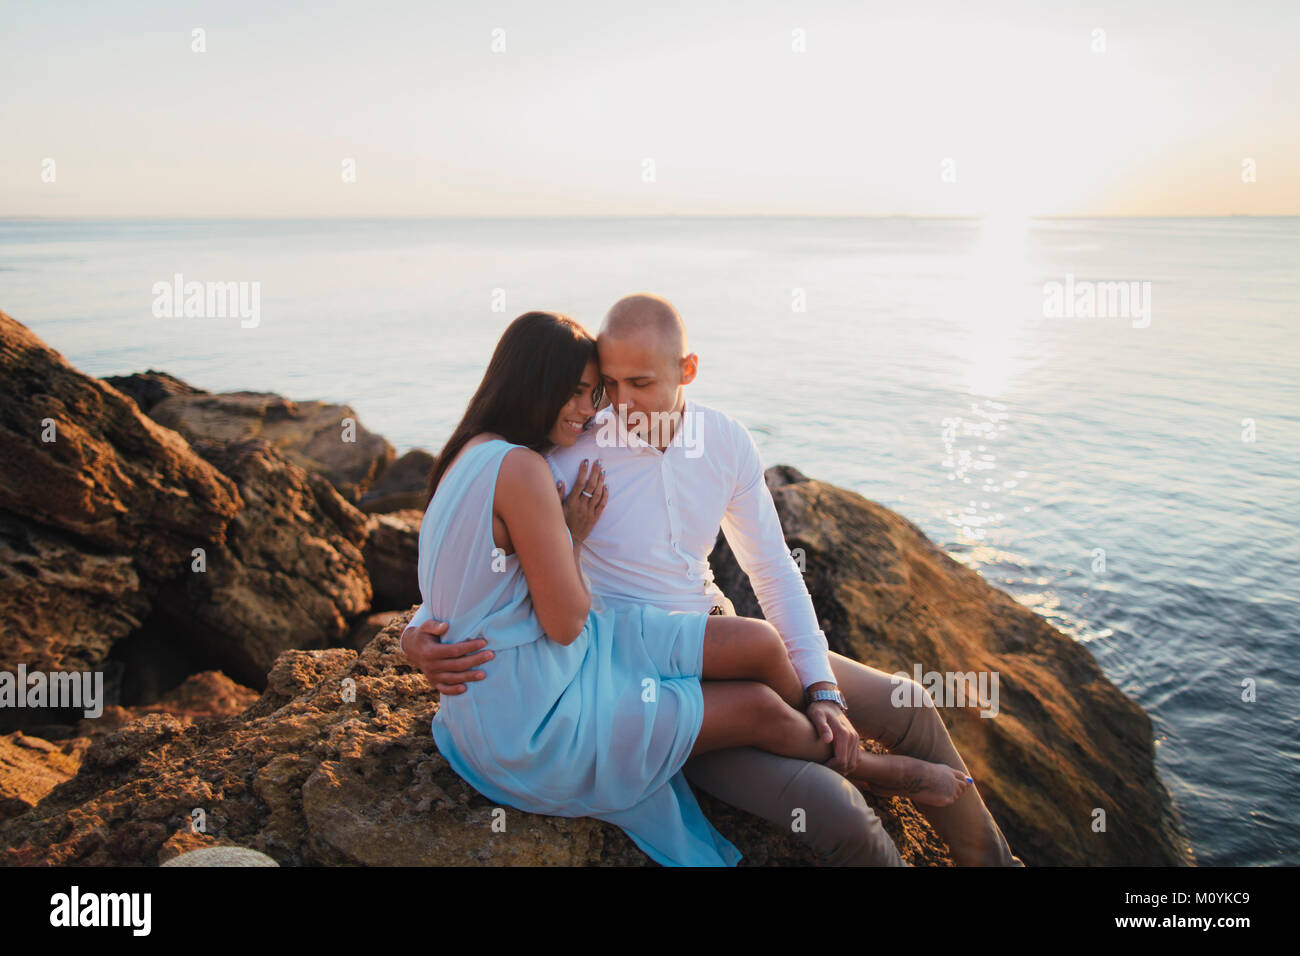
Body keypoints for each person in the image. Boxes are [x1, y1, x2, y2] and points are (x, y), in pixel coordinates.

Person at [404, 294, 1024, 866]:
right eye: (609, 385)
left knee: (910, 705)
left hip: (718, 636)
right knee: (839, 811)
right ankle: (854, 766)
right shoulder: (563, 451)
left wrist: (823, 690)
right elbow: (480, 553)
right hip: (630, 680)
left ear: (687, 370)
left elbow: (774, 570)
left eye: (640, 383)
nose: (618, 404)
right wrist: (418, 632)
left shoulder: (724, 441)